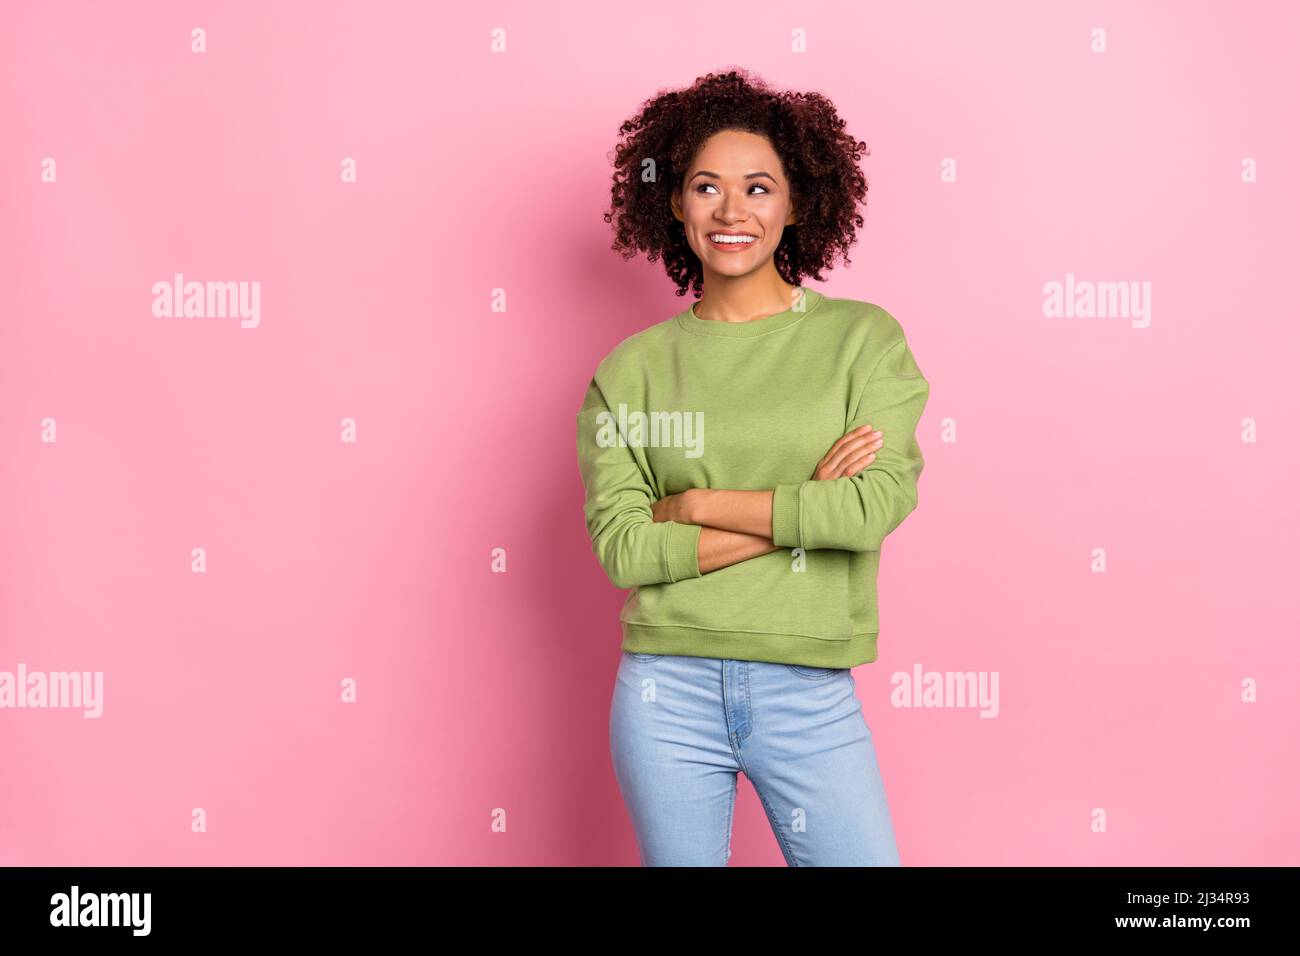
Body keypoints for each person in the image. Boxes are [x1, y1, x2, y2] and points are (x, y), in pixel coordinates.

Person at [576, 68, 930, 866]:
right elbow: (625, 551)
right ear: (674, 203)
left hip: (809, 690)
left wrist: (695, 503)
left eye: (759, 187)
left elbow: (870, 508)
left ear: (797, 202)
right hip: (665, 693)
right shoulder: (628, 372)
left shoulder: (862, 341)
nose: (732, 212)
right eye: (706, 187)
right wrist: (805, 506)